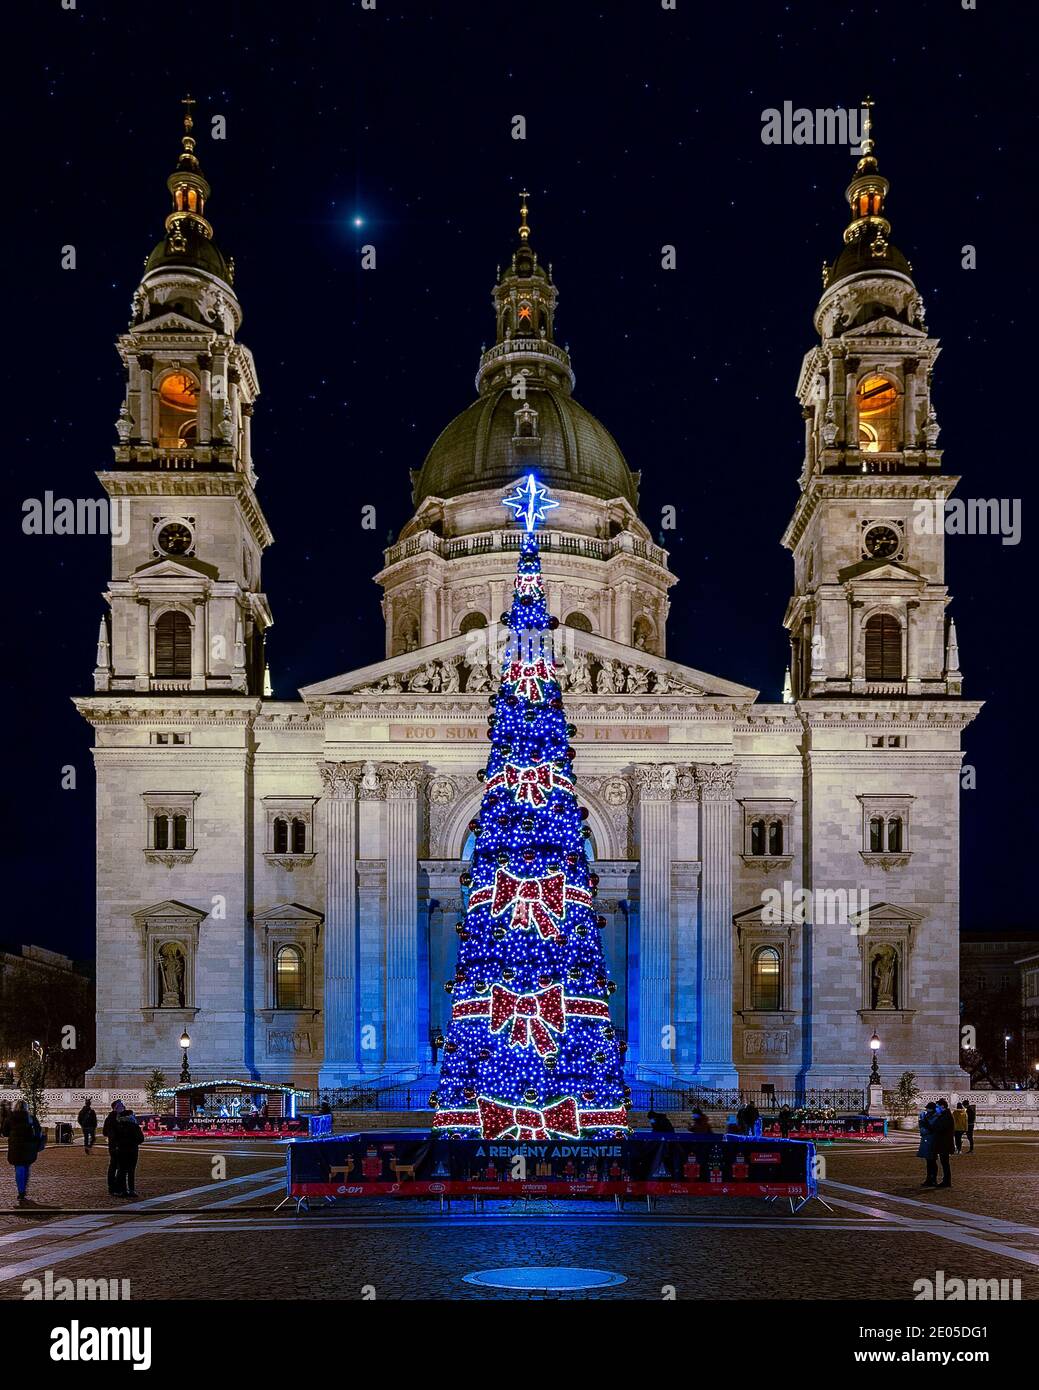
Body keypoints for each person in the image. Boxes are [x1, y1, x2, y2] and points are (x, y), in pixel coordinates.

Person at [2, 1099, 44, 1205]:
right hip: (29, 1147)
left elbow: (5, 1132)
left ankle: (21, 1191)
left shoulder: (10, 1119)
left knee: (18, 1168)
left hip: (16, 1147)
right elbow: (38, 1131)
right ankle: (23, 1190)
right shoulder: (31, 1118)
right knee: (26, 1167)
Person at [110, 1109, 145, 1198]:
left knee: (121, 1170)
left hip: (121, 1150)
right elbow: (140, 1139)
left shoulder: (118, 1126)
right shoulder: (134, 1126)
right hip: (132, 1151)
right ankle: (131, 1190)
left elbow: (113, 1138)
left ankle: (122, 1190)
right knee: (131, 1171)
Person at [102, 1099, 125, 1195]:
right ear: (116, 1108)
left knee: (114, 1166)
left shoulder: (110, 1118)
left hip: (114, 1145)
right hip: (116, 1145)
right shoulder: (115, 1119)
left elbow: (104, 1132)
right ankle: (116, 1187)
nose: (123, 1107)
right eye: (121, 1106)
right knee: (118, 1167)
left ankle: (115, 1187)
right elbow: (108, 1132)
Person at [931, 1098, 955, 1187]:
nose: (936, 1109)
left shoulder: (946, 1116)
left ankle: (947, 1181)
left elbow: (939, 1128)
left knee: (945, 1163)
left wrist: (936, 1119)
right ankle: (946, 1180)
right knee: (944, 1163)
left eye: (937, 1107)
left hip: (945, 1143)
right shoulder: (944, 1115)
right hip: (943, 1143)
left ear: (942, 1106)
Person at [917, 1101, 938, 1186]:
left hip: (931, 1140)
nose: (927, 1110)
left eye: (928, 1108)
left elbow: (931, 1127)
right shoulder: (928, 1116)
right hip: (927, 1139)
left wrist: (923, 1121)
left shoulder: (934, 1117)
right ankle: (929, 1178)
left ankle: (933, 1179)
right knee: (929, 1161)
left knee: (932, 1160)